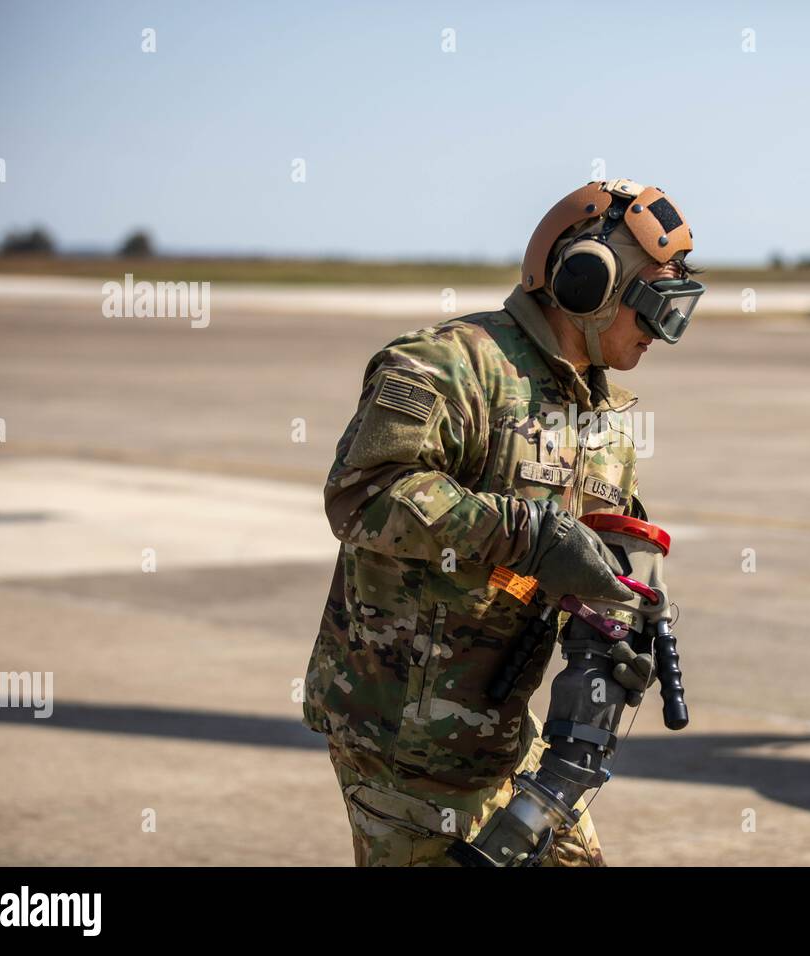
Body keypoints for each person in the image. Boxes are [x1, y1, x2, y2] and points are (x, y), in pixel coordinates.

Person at [301, 178, 703, 864]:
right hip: (404, 743)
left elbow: (605, 548)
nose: (666, 335)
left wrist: (618, 625)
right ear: (588, 284)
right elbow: (365, 497)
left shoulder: (597, 417)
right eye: (657, 309)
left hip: (507, 736)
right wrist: (534, 536)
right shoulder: (444, 367)